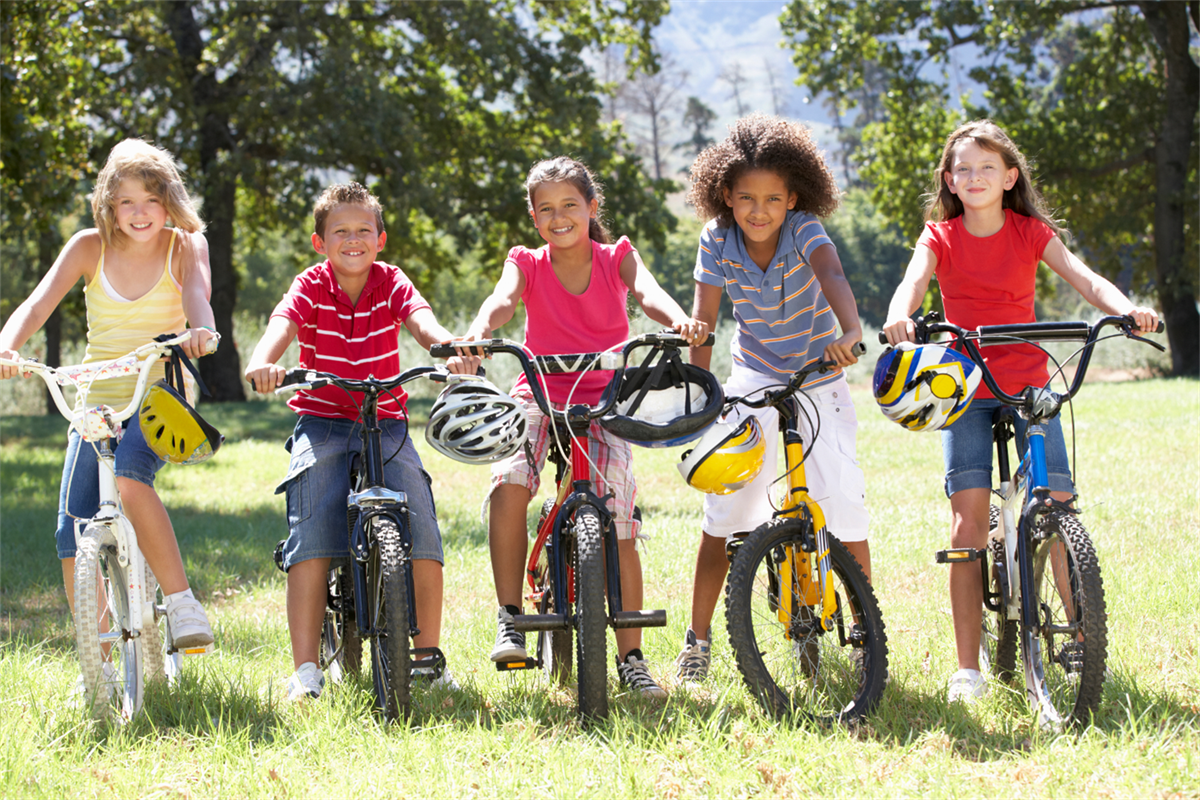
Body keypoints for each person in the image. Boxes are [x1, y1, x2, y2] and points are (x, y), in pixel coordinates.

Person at [881, 119, 1159, 704]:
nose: (975, 177)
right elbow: (911, 284)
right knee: (968, 524)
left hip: (1030, 383)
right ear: (950, 182)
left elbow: (1085, 279)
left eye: (987, 168)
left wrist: (1127, 309)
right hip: (965, 389)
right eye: (963, 169)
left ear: (1010, 177)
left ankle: (1081, 635)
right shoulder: (940, 236)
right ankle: (967, 670)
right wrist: (900, 318)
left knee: (1057, 508)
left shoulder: (1031, 232)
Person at [461, 156, 708, 699]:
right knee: (508, 482)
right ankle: (510, 617)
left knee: (619, 518)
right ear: (534, 218)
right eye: (546, 209)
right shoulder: (526, 262)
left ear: (592, 208)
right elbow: (501, 301)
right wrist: (479, 332)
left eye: (570, 205)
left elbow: (648, 292)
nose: (559, 216)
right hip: (539, 393)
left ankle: (632, 656)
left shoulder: (616, 256)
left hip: (603, 396)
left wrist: (678, 322)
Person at [244, 182, 475, 701]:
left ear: (381, 238)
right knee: (311, 531)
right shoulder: (310, 284)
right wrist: (263, 360)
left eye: (363, 231)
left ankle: (428, 659)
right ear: (318, 242)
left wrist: (446, 347)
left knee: (420, 517)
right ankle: (305, 668)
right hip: (322, 419)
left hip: (386, 420)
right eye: (340, 232)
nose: (353, 240)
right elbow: (282, 323)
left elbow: (423, 322)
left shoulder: (391, 282)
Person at [0, 138, 219, 675]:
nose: (139, 212)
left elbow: (198, 296)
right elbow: (35, 305)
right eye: (126, 201)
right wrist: (8, 346)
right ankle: (95, 662)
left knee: (129, 477)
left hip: (160, 390)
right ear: (107, 205)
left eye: (150, 199)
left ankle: (183, 603)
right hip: (99, 393)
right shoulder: (87, 246)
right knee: (71, 528)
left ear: (168, 201)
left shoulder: (185, 244)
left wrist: (200, 331)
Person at [676, 114, 871, 685]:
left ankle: (865, 634)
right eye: (745, 199)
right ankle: (699, 639)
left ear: (793, 199)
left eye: (772, 199)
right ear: (724, 197)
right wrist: (700, 393)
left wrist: (850, 329)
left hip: (818, 375)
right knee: (726, 511)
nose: (758, 211)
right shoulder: (716, 240)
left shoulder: (805, 231)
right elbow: (705, 323)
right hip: (753, 376)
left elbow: (831, 272)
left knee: (843, 503)